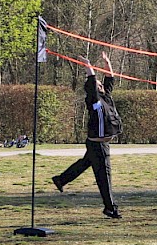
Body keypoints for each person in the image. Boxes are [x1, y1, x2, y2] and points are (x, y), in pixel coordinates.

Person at [52, 52, 123, 218]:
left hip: (100, 144)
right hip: (97, 144)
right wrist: (87, 65)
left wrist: (107, 62)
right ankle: (110, 207)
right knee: (104, 176)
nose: (100, 83)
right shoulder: (93, 99)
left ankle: (61, 180)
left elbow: (109, 77)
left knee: (85, 163)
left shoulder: (106, 96)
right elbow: (91, 80)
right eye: (98, 83)